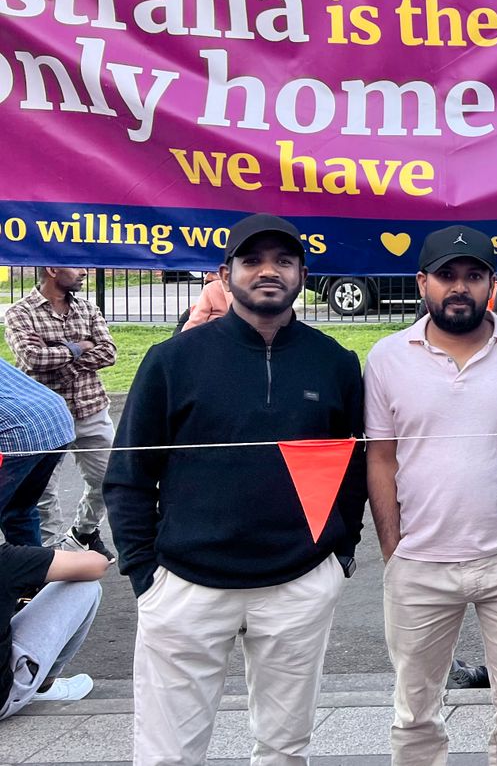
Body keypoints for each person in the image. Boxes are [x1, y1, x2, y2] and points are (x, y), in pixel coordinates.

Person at [105, 213, 367, 765]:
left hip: (297, 585)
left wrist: (338, 554)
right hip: (184, 586)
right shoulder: (171, 360)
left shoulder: (335, 362)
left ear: (301, 272)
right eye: (252, 261)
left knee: (284, 749)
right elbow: (129, 474)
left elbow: (354, 465)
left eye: (283, 260)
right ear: (225, 274)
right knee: (166, 755)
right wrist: (144, 574)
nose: (268, 271)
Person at [365, 225, 497, 763]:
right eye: (446, 276)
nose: (460, 287)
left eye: (473, 276)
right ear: (422, 281)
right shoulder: (386, 356)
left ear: (492, 284)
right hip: (419, 564)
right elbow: (379, 457)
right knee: (414, 710)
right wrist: (392, 548)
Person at [5, 266, 118, 560]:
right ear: (53, 270)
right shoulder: (20, 312)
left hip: (91, 409)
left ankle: (84, 533)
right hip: (44, 421)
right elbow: (32, 358)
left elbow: (109, 352)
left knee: (111, 479)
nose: (84, 272)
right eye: (76, 267)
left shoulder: (88, 309)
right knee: (42, 494)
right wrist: (80, 346)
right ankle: (52, 555)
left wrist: (63, 361)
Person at [0, 544, 108, 717]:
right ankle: (44, 686)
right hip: (4, 697)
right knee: (85, 587)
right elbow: (98, 564)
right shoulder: (6, 558)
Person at [0, 359, 75, 546]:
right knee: (19, 511)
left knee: (18, 510)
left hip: (17, 430)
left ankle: (27, 568)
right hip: (54, 417)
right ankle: (32, 573)